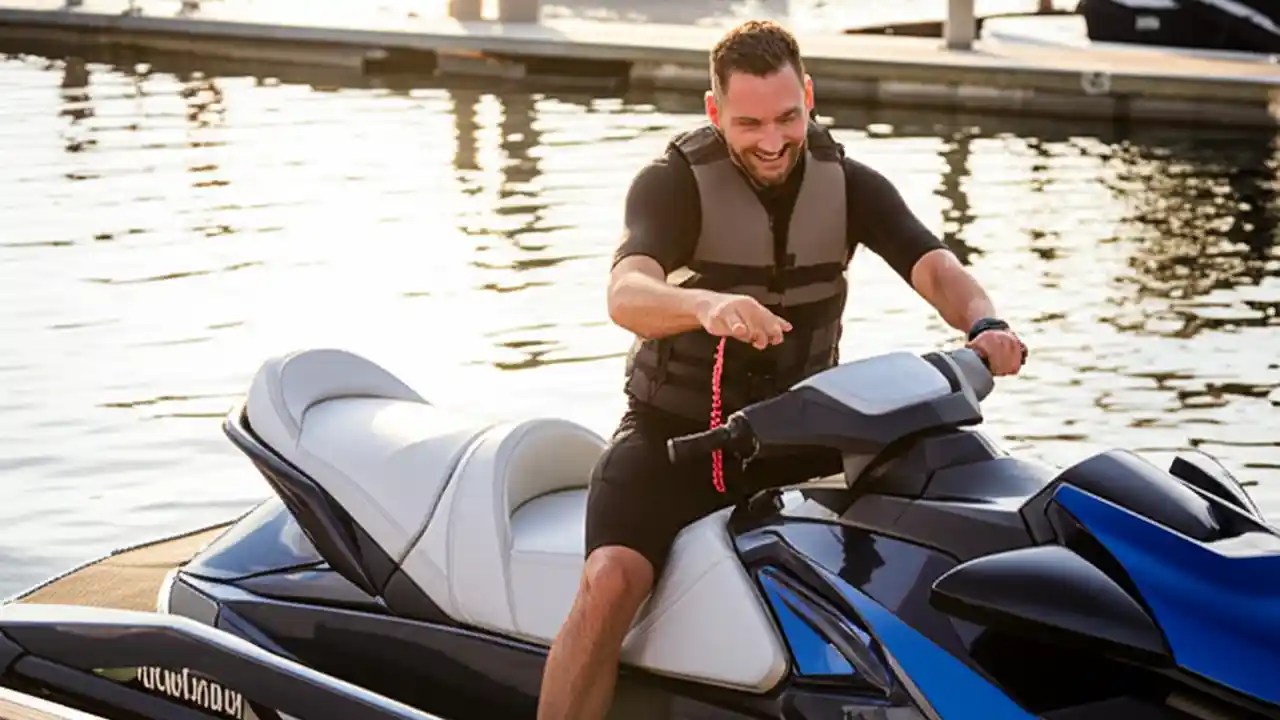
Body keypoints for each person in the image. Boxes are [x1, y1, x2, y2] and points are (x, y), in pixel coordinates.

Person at [536, 19, 1028, 720]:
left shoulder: (849, 183)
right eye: (750, 123)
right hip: (679, 439)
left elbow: (933, 263)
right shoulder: (672, 184)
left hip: (801, 436)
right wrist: (704, 305)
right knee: (611, 579)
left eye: (788, 118)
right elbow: (626, 294)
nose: (772, 140)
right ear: (714, 112)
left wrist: (985, 322)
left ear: (809, 97)